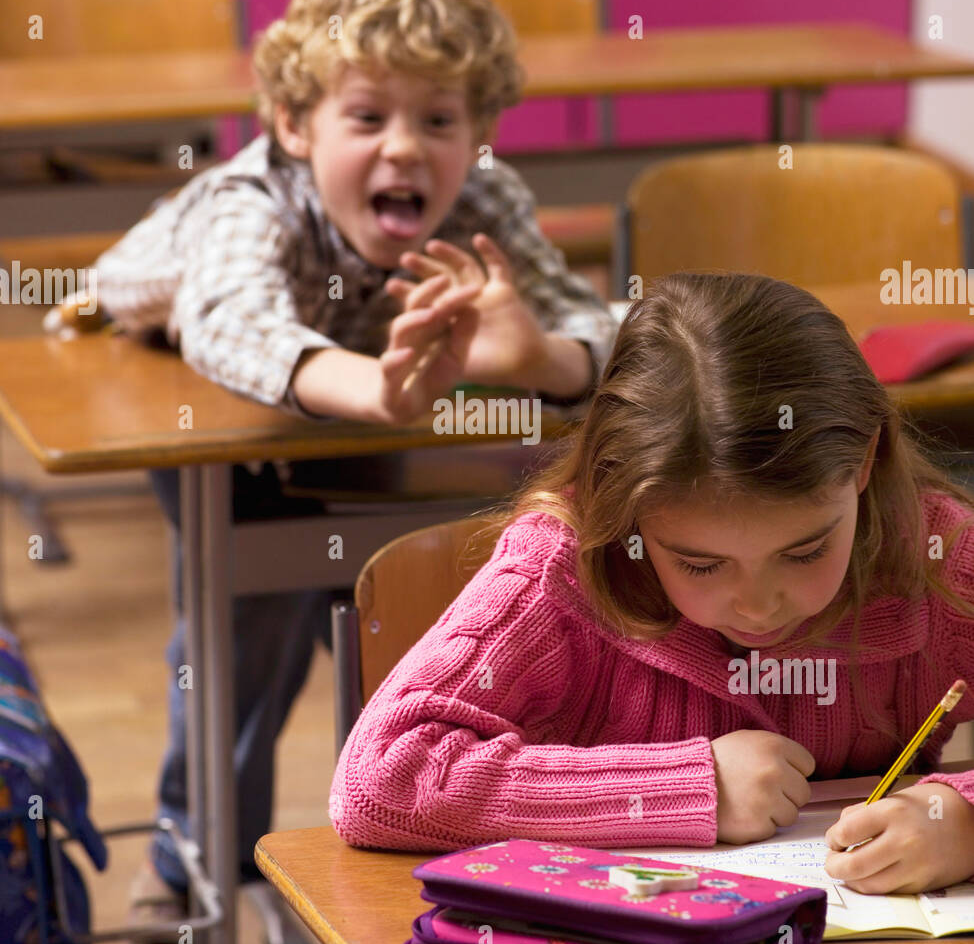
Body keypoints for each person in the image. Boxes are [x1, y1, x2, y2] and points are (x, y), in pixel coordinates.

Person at [71, 0, 618, 944]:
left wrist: (540, 360)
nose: (403, 147)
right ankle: (179, 883)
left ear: (479, 132)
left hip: (351, 412)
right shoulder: (250, 200)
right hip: (189, 389)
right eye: (365, 118)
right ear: (293, 125)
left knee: (403, 624)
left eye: (438, 120)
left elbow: (584, 319)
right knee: (243, 648)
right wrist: (379, 389)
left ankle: (370, 858)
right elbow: (234, 325)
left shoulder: (486, 198)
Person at [331, 271, 974, 900]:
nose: (758, 602)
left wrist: (962, 819)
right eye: (699, 564)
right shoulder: (562, 569)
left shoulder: (937, 558)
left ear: (863, 464)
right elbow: (380, 780)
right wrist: (691, 788)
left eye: (805, 551)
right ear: (628, 504)